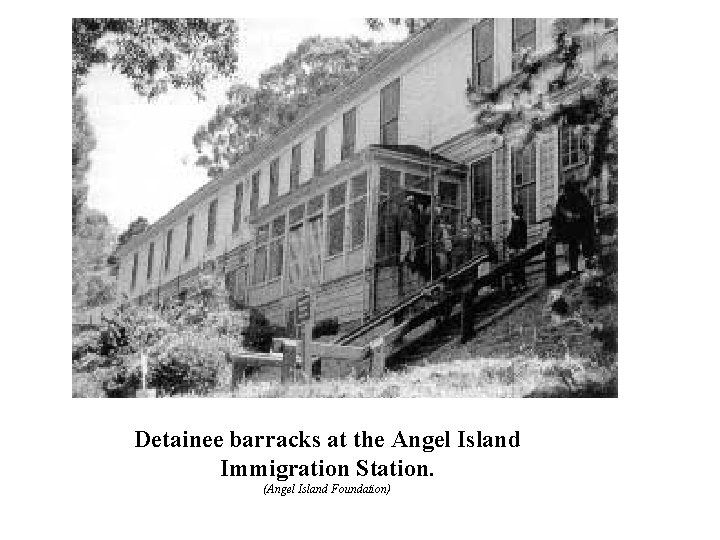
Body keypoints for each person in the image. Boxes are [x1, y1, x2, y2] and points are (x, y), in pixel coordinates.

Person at [551, 180, 595, 276]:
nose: (565, 194)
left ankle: (588, 262)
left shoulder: (580, 198)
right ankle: (573, 269)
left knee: (585, 243)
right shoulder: (562, 200)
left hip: (581, 228)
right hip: (569, 230)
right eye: (565, 192)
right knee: (572, 248)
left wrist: (576, 215)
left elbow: (588, 212)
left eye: (567, 191)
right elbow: (557, 214)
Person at [507, 204, 528, 290]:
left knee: (519, 267)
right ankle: (516, 284)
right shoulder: (514, 222)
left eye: (512, 211)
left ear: (515, 212)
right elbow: (512, 235)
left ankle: (521, 284)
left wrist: (521, 247)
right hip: (514, 248)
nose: (511, 213)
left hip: (517, 249)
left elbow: (522, 236)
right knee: (514, 267)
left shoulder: (520, 222)